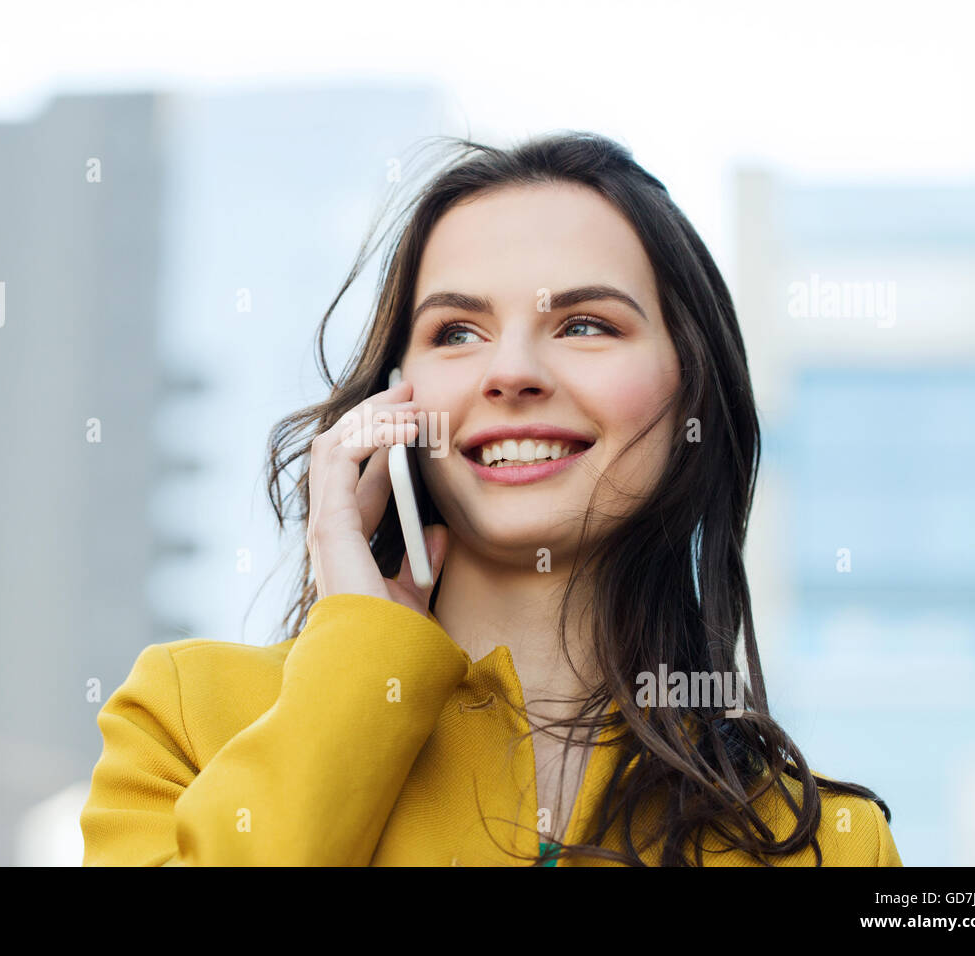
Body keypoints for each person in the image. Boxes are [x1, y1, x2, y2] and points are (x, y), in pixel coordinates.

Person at [80, 131, 903, 866]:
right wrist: (362, 664)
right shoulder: (188, 720)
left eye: (585, 324)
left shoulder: (828, 844)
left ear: (692, 392)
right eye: (457, 333)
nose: (511, 373)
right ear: (392, 400)